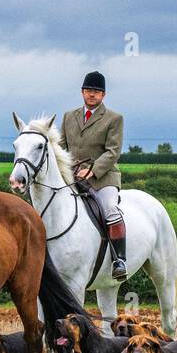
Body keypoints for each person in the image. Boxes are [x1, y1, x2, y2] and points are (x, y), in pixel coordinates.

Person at [60, 70, 127, 280]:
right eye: (89, 90)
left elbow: (112, 151)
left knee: (110, 210)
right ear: (82, 92)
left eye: (97, 92)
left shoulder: (114, 118)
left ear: (103, 95)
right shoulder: (69, 116)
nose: (92, 94)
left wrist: (92, 170)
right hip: (72, 177)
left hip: (103, 178)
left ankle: (119, 259)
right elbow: (61, 146)